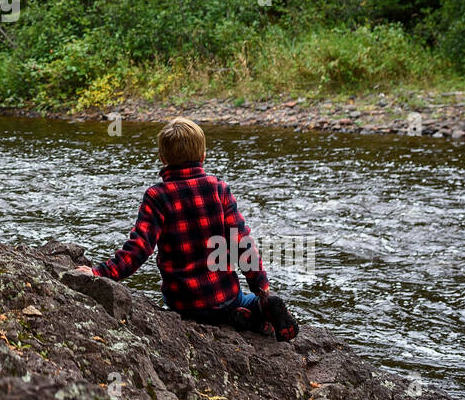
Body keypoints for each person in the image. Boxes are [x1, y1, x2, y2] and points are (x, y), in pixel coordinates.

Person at [76, 116, 299, 340]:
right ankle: (255, 312)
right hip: (226, 296)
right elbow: (241, 240)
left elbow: (139, 248)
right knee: (250, 301)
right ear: (203, 156)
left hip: (184, 303)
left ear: (162, 158)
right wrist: (260, 284)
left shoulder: (157, 196)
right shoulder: (219, 189)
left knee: (192, 306)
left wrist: (100, 273)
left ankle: (237, 317)